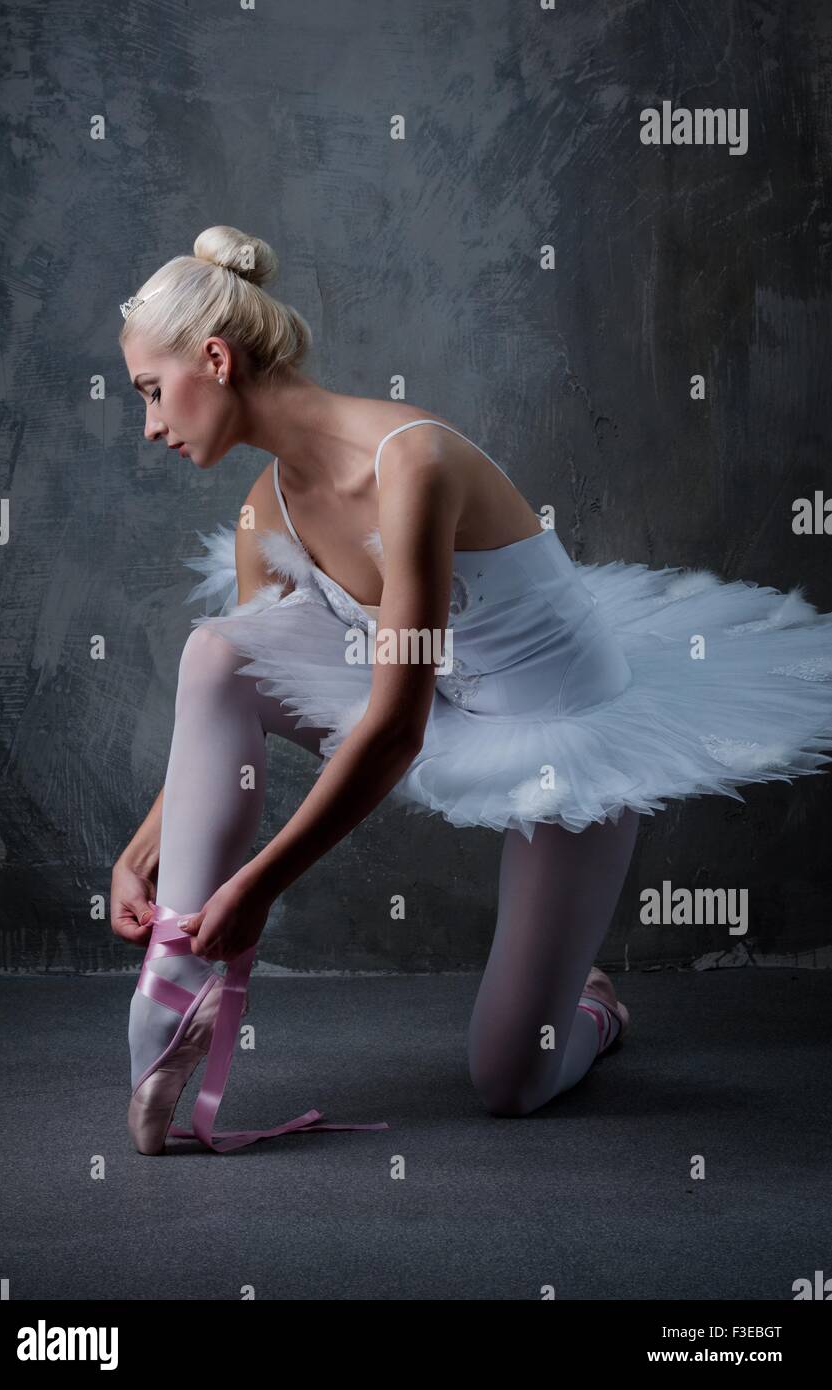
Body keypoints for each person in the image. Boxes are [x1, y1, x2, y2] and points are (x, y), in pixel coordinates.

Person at [112, 224, 832, 1156]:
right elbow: (239, 695)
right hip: (441, 706)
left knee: (510, 1081)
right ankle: (176, 981)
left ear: (214, 357)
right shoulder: (265, 509)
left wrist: (262, 886)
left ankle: (595, 1004)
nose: (150, 426)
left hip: (555, 735)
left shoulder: (412, 463)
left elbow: (395, 727)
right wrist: (142, 851)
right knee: (220, 651)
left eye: (151, 392)